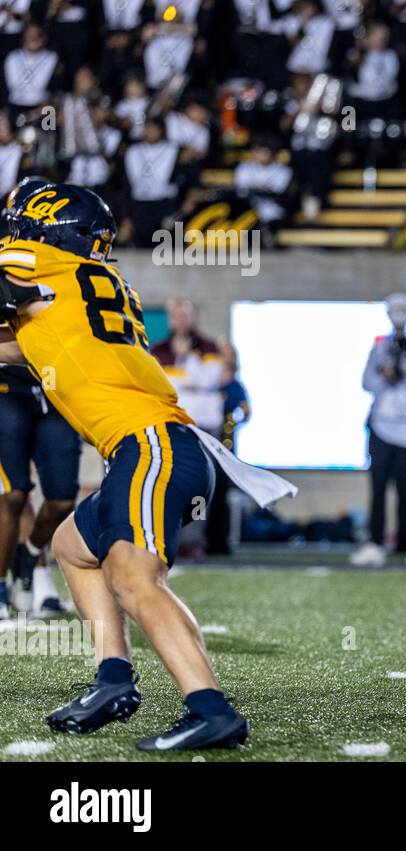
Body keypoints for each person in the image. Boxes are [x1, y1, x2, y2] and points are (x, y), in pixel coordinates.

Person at [0, 182, 296, 750]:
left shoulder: (38, 261)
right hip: (160, 447)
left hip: (150, 445)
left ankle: (210, 709)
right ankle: (113, 680)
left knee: (134, 579)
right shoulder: (92, 284)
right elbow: (25, 345)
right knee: (72, 547)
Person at [0, 176, 82, 619]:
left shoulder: (72, 261)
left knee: (62, 500)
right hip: (8, 386)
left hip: (56, 388)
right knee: (12, 494)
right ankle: (1, 586)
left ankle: (30, 557)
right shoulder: (8, 256)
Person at [352, 293, 406, 568]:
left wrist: (403, 376)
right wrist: (385, 374)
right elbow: (367, 382)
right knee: (378, 489)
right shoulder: (379, 349)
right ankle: (375, 542)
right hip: (381, 428)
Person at [151, 299, 226, 557]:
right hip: (172, 422)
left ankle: (194, 540)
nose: (181, 320)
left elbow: (210, 380)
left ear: (193, 317)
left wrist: (186, 358)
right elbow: (162, 386)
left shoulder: (207, 347)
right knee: (172, 483)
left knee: (201, 486)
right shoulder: (159, 349)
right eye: (176, 315)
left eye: (186, 315)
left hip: (204, 426)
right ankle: (171, 537)